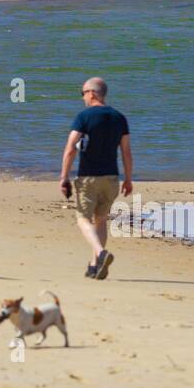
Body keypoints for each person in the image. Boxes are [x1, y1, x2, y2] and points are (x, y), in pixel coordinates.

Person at [59, 77, 132, 280]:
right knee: (100, 220)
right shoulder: (119, 118)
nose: (82, 97)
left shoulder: (84, 117)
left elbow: (71, 148)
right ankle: (94, 266)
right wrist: (128, 179)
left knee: (82, 218)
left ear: (91, 93)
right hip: (111, 178)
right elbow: (126, 152)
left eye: (83, 93)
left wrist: (64, 176)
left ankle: (100, 253)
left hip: (88, 177)